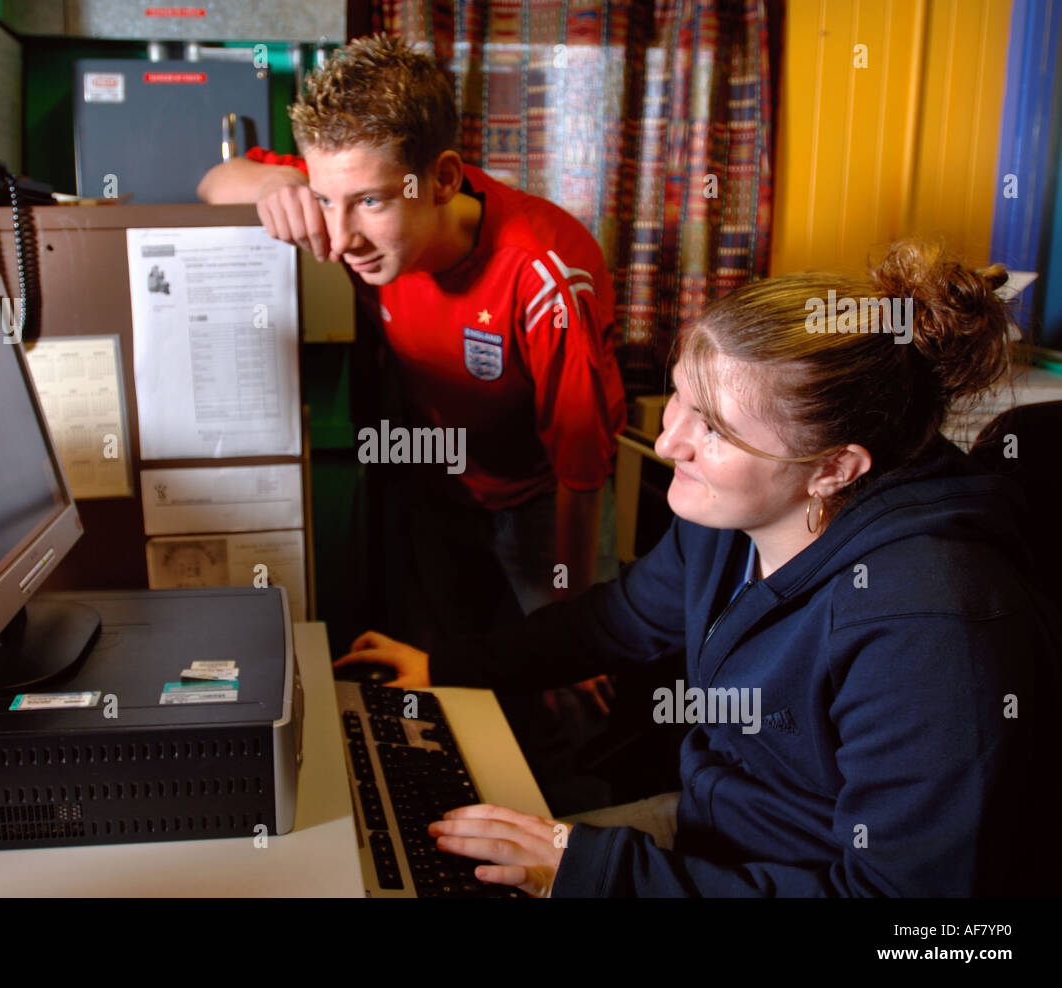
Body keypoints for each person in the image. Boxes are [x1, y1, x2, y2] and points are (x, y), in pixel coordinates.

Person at [335, 239, 1062, 896]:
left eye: (712, 427)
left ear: (834, 468)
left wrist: (589, 872)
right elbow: (613, 622)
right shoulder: (731, 521)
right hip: (719, 840)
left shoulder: (934, 629)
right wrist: (446, 665)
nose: (668, 439)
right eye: (682, 394)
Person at [198, 35, 628, 810]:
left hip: (542, 498)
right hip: (434, 475)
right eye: (326, 200)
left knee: (564, 683)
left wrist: (569, 616)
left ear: (443, 179)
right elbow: (216, 178)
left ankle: (571, 835)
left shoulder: (544, 272)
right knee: (435, 668)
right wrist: (276, 189)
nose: (343, 234)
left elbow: (581, 471)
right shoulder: (349, 195)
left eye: (369, 202)